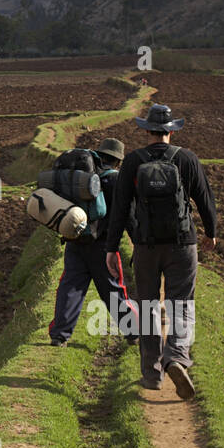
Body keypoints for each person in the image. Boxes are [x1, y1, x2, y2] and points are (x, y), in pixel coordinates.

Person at [104, 104, 217, 399]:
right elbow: (204, 198)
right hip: (182, 244)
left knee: (148, 306)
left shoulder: (132, 162)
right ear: (171, 131)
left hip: (145, 246)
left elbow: (119, 209)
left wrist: (111, 247)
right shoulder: (187, 159)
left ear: (146, 130)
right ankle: (177, 357)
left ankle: (152, 374)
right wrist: (211, 232)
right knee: (182, 304)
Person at [47, 138, 139, 348]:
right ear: (118, 161)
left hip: (75, 240)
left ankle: (60, 335)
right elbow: (130, 217)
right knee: (113, 290)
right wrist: (137, 245)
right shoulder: (117, 181)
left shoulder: (82, 178)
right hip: (104, 247)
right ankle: (133, 333)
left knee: (70, 287)